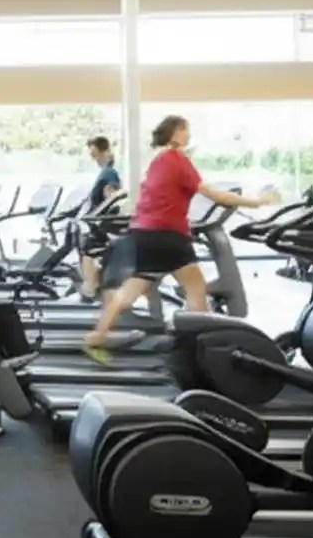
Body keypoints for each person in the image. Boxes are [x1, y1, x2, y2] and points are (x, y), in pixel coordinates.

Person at [83, 116, 275, 364]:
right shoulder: (177, 159)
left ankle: (97, 337)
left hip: (144, 234)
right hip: (169, 236)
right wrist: (256, 202)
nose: (188, 135)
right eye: (185, 130)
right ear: (174, 133)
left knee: (130, 291)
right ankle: (203, 349)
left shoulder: (157, 160)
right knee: (196, 289)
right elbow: (212, 193)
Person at [79, 136, 122, 298]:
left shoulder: (109, 173)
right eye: (93, 155)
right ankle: (93, 282)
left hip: (102, 223)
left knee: (88, 248)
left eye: (96, 154)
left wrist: (99, 214)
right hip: (97, 220)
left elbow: (112, 196)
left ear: (104, 152)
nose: (95, 159)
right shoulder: (106, 172)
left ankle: (91, 285)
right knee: (84, 244)